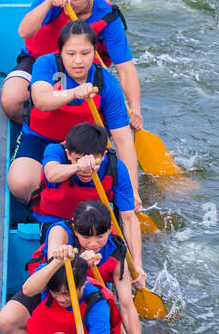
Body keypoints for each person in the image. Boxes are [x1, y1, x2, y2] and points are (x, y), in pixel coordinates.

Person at [7, 22, 142, 208]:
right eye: (71, 54)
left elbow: (123, 140)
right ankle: (52, 203)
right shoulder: (45, 64)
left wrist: (133, 191)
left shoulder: (107, 83)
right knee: (20, 183)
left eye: (85, 53)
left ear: (94, 52)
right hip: (40, 139)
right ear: (60, 52)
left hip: (86, 150)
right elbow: (41, 100)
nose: (78, 61)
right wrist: (73, 93)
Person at [1, 0, 142, 128]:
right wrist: (48, 3)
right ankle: (36, 130)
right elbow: (24, 31)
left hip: (81, 70)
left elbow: (125, 68)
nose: (67, 1)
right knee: (11, 101)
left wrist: (135, 109)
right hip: (40, 61)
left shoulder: (108, 17)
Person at [19, 199, 148, 334]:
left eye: (100, 236)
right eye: (86, 237)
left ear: (110, 228)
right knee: (8, 321)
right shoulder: (60, 232)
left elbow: (126, 305)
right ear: (74, 228)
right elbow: (56, 274)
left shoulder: (117, 251)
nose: (93, 243)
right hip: (50, 291)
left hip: (86, 300)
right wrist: (79, 262)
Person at [31, 121, 143, 282]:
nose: (87, 170)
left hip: (92, 223)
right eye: (77, 159)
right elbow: (51, 173)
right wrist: (77, 167)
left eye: (95, 163)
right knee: (58, 273)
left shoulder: (116, 167)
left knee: (110, 258)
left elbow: (129, 218)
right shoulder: (55, 151)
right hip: (55, 220)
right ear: (68, 154)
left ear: (103, 155)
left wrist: (138, 264)